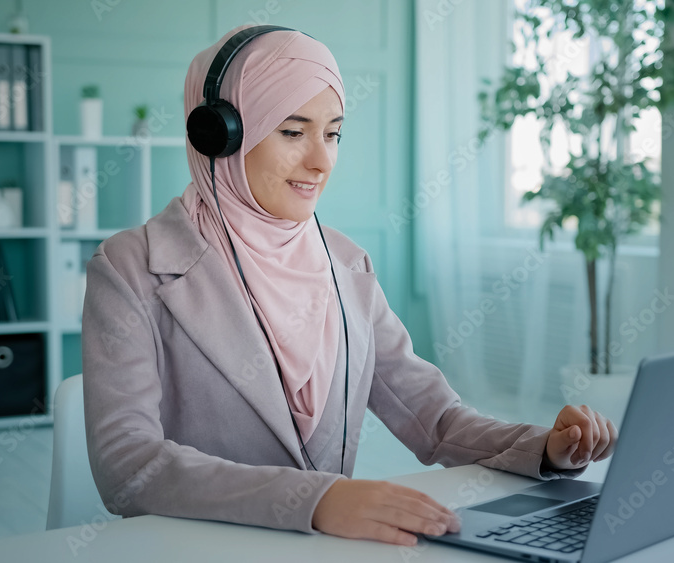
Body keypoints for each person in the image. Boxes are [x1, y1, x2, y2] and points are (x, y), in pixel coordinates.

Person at [82, 24, 618, 548]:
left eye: (332, 133)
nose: (320, 161)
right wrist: (314, 501)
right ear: (218, 136)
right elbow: (128, 463)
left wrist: (543, 448)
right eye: (292, 132)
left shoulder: (347, 264)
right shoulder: (130, 266)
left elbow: (434, 418)